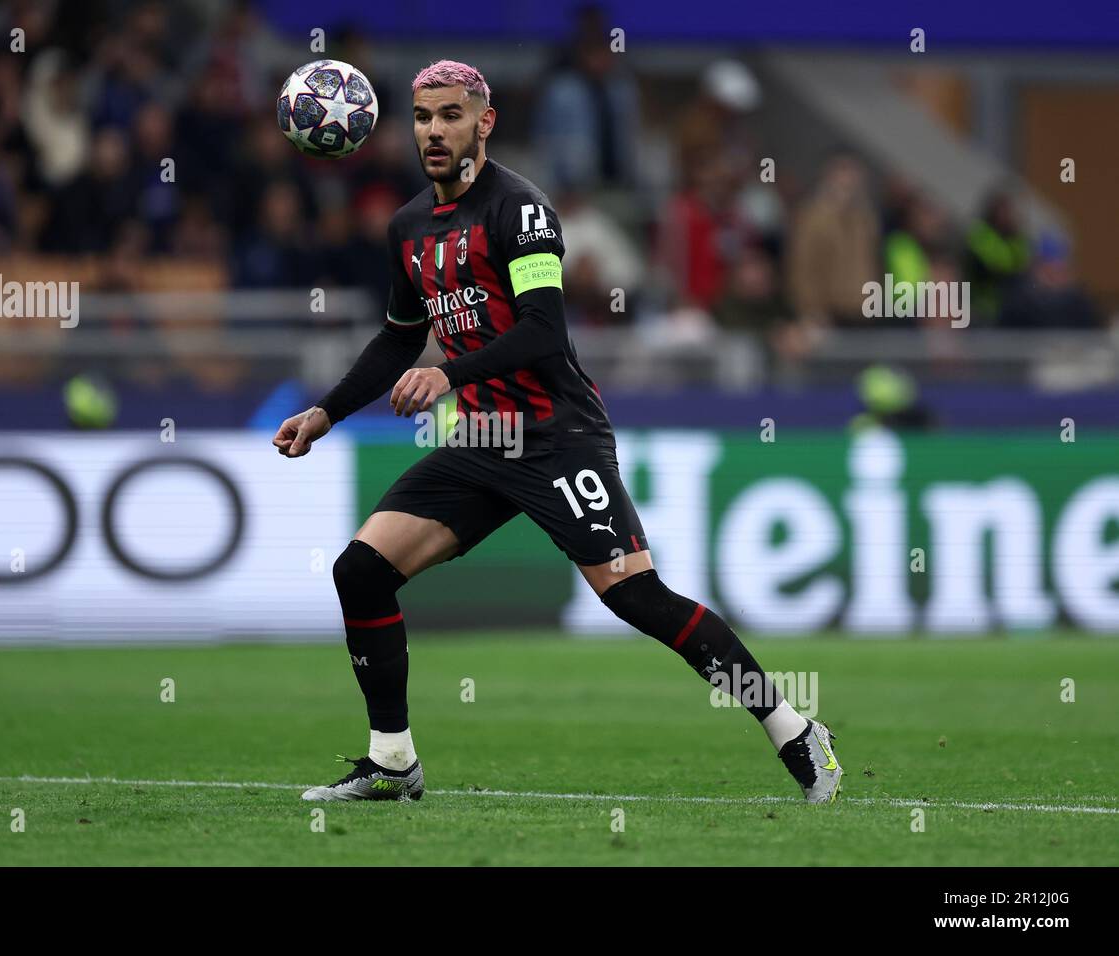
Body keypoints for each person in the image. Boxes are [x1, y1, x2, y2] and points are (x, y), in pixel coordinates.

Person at [273, 61, 842, 804]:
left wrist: (449, 375)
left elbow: (543, 331)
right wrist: (325, 412)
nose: (435, 131)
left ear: (485, 122)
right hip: (482, 442)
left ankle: (794, 730)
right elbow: (395, 338)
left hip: (554, 433)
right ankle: (392, 762)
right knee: (362, 571)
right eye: (422, 117)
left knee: (637, 598)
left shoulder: (522, 210)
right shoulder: (409, 227)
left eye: (451, 115)